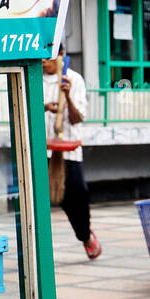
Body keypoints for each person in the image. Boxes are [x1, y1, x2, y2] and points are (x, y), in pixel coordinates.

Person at [43, 47, 100, 259]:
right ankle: (36, 248)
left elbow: (77, 118)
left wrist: (67, 96)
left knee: (76, 197)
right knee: (36, 198)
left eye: (47, 57)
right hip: (43, 149)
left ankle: (85, 235)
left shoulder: (74, 79)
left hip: (68, 151)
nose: (42, 61)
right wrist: (45, 107)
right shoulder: (32, 77)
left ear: (61, 55)